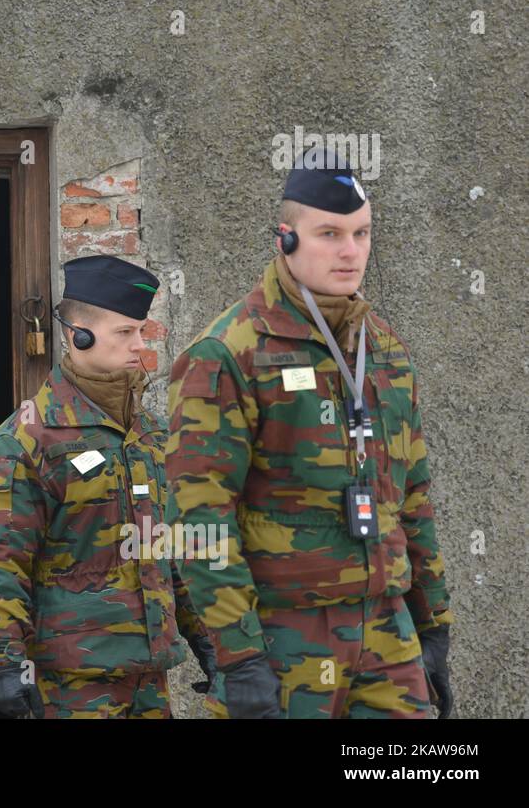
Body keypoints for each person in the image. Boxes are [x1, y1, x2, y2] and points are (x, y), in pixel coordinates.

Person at [166, 148, 454, 718]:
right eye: (329, 233)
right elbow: (200, 519)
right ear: (286, 239)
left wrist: (433, 624)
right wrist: (239, 656)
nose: (351, 251)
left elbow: (413, 494)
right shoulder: (229, 353)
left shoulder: (384, 349)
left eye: (362, 233)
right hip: (284, 635)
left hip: (387, 629)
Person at [0, 255, 214, 718]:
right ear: (78, 334)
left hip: (149, 678)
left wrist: (208, 640)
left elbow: (174, 550)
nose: (139, 345)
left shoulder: (152, 434)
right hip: (71, 683)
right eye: (125, 332)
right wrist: (4, 665)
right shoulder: (29, 437)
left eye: (141, 330)